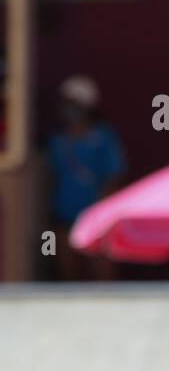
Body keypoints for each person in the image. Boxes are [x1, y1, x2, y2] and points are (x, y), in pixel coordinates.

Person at [46, 75, 126, 281]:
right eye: (65, 103)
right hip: (63, 216)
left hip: (96, 216)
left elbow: (113, 176)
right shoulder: (58, 140)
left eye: (73, 103)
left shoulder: (104, 138)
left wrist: (103, 215)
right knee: (67, 272)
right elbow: (51, 177)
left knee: (101, 274)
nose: (68, 108)